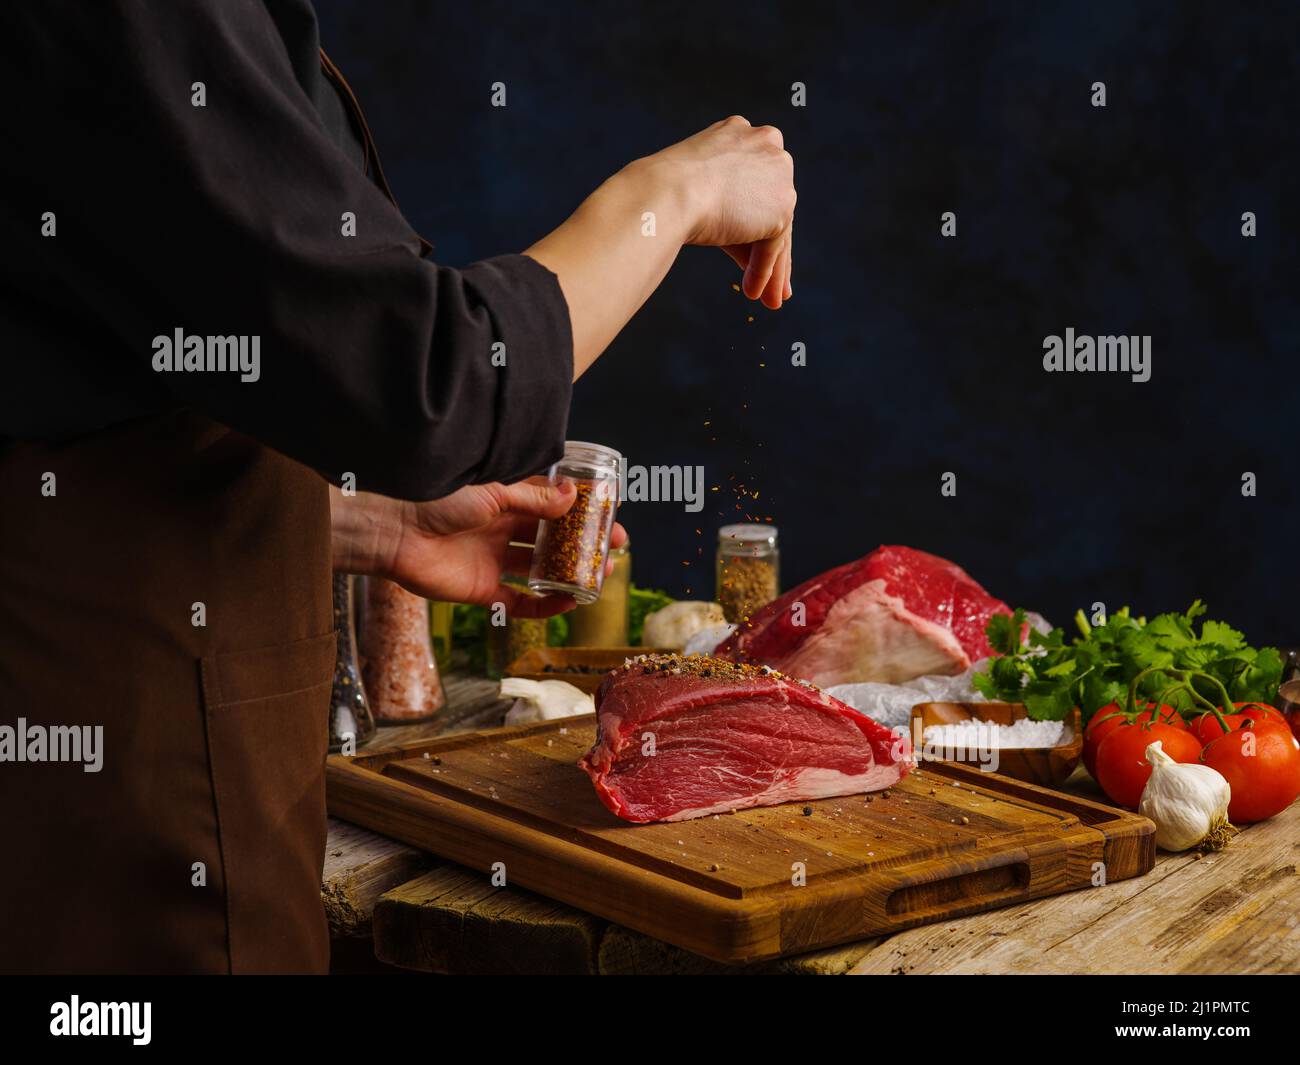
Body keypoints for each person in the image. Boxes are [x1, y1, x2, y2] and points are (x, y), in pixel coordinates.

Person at [0, 1, 795, 974]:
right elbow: (425, 385)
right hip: (116, 787)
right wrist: (671, 194)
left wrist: (354, 525)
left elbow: (71, 365)